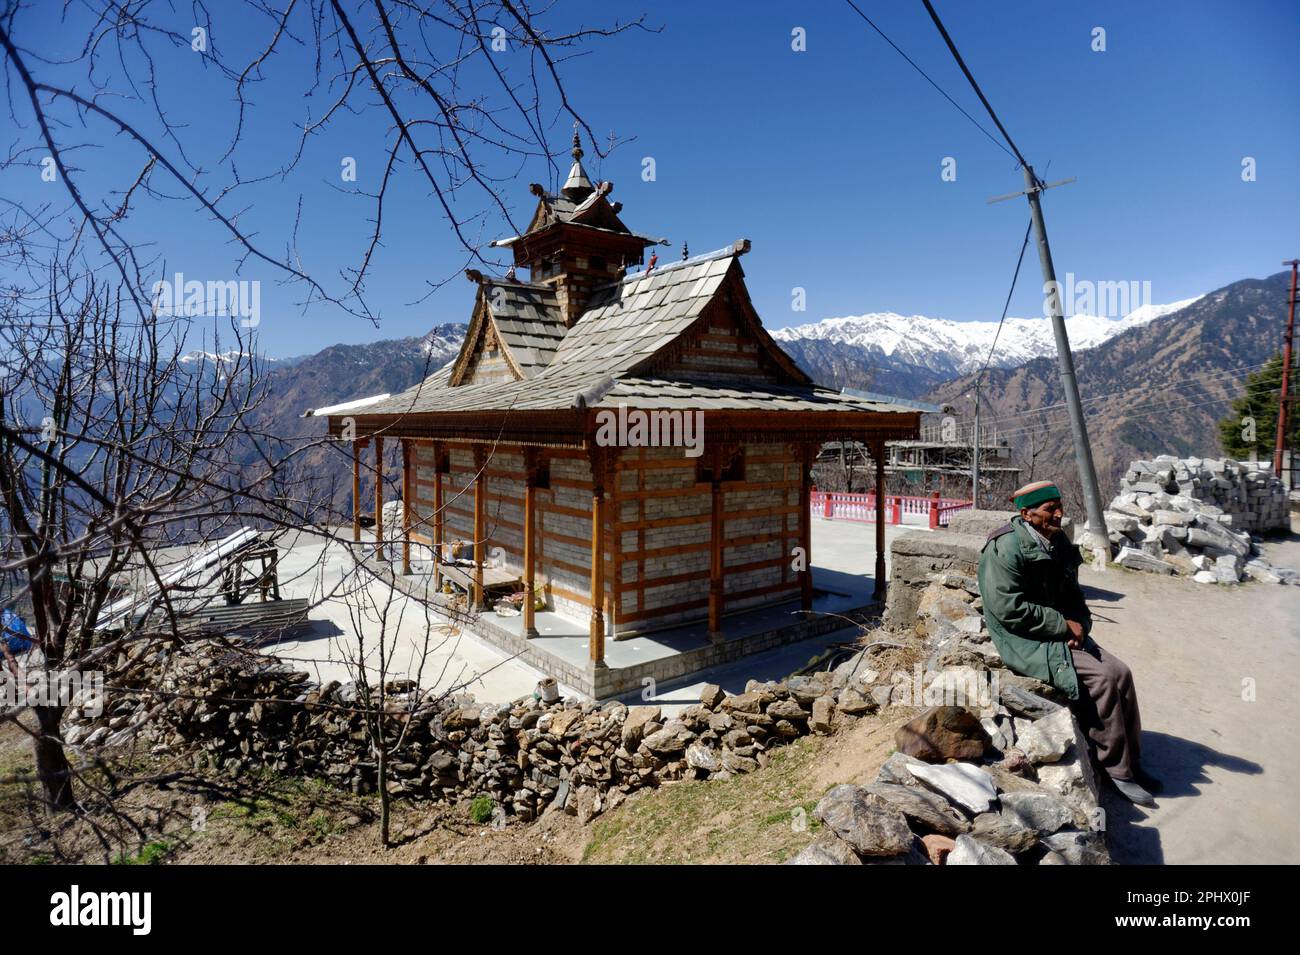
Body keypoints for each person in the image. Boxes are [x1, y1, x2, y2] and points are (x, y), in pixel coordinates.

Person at [977, 480, 1160, 807]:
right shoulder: (1003, 548)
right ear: (1026, 514)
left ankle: (1132, 760)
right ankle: (1115, 769)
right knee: (1103, 681)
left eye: (1059, 506)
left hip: (1061, 631)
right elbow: (1008, 610)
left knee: (1122, 672)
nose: (1059, 514)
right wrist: (1062, 625)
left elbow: (1074, 595)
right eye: (1050, 509)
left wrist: (1080, 625)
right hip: (1024, 638)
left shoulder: (1056, 541)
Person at [1, 606, 34, 679]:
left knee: (8, 656)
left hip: (7, 646)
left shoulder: (7, 616)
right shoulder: (8, 615)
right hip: (21, 643)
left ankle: (14, 678)